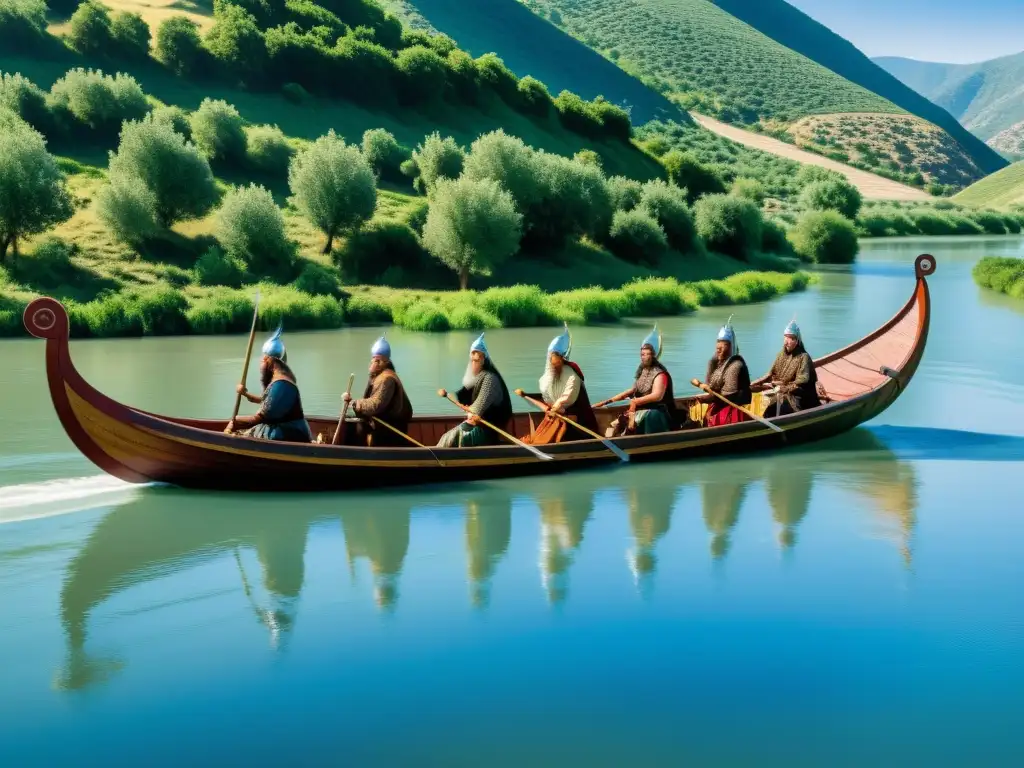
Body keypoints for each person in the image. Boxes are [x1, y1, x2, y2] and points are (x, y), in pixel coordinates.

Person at [226, 324, 312, 442]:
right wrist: (245, 394)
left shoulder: (282, 385)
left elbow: (260, 418)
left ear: (269, 361)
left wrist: (235, 421)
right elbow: (265, 401)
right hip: (286, 430)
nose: (261, 365)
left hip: (290, 433)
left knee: (239, 427)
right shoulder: (279, 382)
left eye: (263, 360)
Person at [520, 323, 600, 445]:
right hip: (556, 417)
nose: (551, 359)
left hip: (576, 421)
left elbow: (568, 395)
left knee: (551, 437)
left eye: (554, 356)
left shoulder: (572, 375)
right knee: (540, 436)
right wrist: (527, 395)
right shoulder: (548, 374)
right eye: (550, 355)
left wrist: (558, 404)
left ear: (562, 357)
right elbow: (547, 395)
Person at [598, 324, 683, 437]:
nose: (644, 357)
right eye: (642, 354)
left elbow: (657, 396)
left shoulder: (660, 374)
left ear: (654, 356)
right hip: (641, 410)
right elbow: (633, 390)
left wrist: (635, 402)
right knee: (614, 425)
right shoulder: (642, 371)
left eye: (648, 354)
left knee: (647, 417)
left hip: (656, 413)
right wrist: (607, 402)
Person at [437, 333, 513, 448]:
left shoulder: (490, 379)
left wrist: (470, 411)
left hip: (490, 432)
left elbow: (476, 411)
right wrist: (450, 396)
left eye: (476, 358)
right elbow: (473, 411)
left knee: (455, 436)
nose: (473, 361)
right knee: (447, 437)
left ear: (483, 359)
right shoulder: (480, 377)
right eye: (472, 358)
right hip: (479, 425)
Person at [341, 333, 414, 447]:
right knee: (351, 421)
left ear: (381, 361)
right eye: (373, 359)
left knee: (355, 427)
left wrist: (355, 403)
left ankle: (354, 455)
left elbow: (376, 404)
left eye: (375, 360)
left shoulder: (387, 379)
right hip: (383, 426)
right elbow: (369, 400)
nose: (372, 362)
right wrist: (351, 402)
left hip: (391, 430)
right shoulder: (379, 376)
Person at [752, 317, 822, 417]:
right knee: (755, 398)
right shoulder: (781, 354)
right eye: (785, 337)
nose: (787, 342)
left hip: (800, 399)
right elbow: (770, 374)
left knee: (769, 407)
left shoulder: (804, 357)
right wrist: (756, 383)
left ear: (797, 340)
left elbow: (800, 384)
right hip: (782, 391)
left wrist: (784, 388)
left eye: (791, 338)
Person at [695, 315, 753, 427]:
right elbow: (710, 388)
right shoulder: (714, 362)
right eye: (719, 343)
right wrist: (705, 391)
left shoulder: (736, 365)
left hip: (732, 409)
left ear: (731, 346)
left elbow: (728, 397)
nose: (719, 348)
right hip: (719, 403)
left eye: (725, 344)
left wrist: (705, 399)